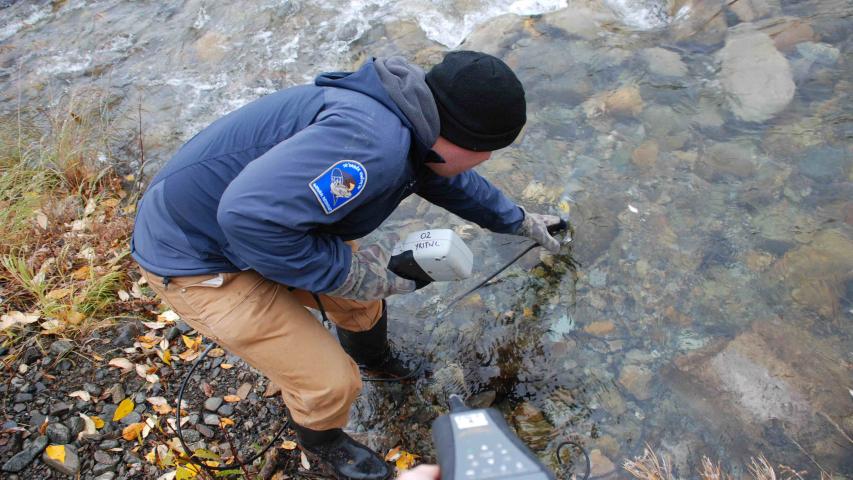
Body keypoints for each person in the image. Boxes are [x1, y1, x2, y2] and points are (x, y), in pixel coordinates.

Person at [131, 50, 563, 480]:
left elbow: (453, 182)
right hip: (197, 257)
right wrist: (356, 274)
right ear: (460, 139)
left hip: (265, 227)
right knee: (330, 381)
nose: (486, 160)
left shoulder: (411, 120)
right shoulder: (372, 146)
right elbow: (247, 218)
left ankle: (376, 361)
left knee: (362, 305)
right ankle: (323, 441)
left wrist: (519, 220)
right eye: (486, 150)